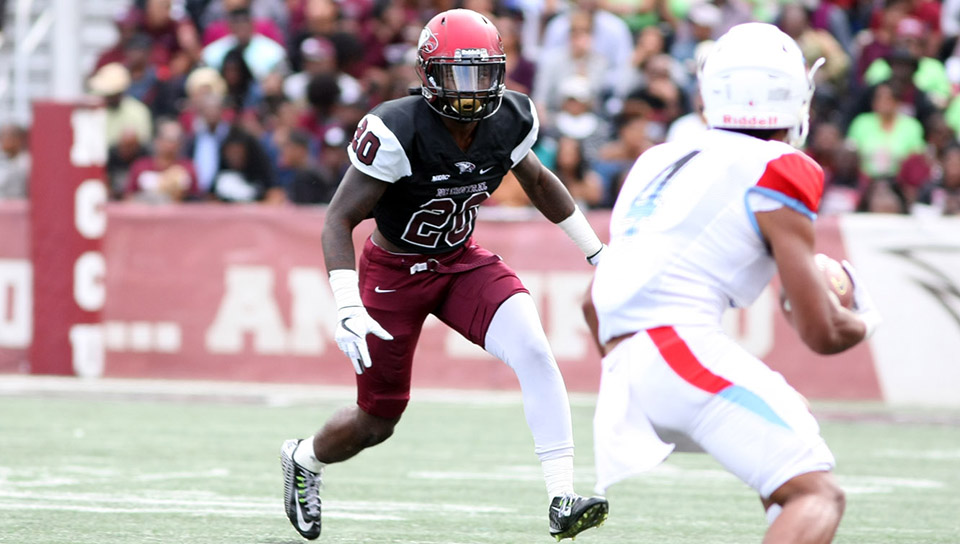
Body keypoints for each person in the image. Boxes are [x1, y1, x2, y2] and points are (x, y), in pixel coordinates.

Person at [279, 9, 609, 542]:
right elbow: (338, 219)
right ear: (429, 75)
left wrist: (598, 254)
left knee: (534, 350)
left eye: (483, 75)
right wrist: (347, 302)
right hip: (394, 272)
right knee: (377, 421)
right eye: (458, 75)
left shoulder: (510, 118)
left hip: (459, 261)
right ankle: (304, 458)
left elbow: (541, 183)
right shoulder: (398, 128)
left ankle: (560, 496)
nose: (472, 91)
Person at [584, 23, 881, 543]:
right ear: (796, 95)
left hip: (625, 365)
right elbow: (822, 334)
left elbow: (593, 301)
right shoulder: (782, 165)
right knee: (819, 494)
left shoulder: (657, 159)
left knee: (790, 458)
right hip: (673, 349)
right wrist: (864, 317)